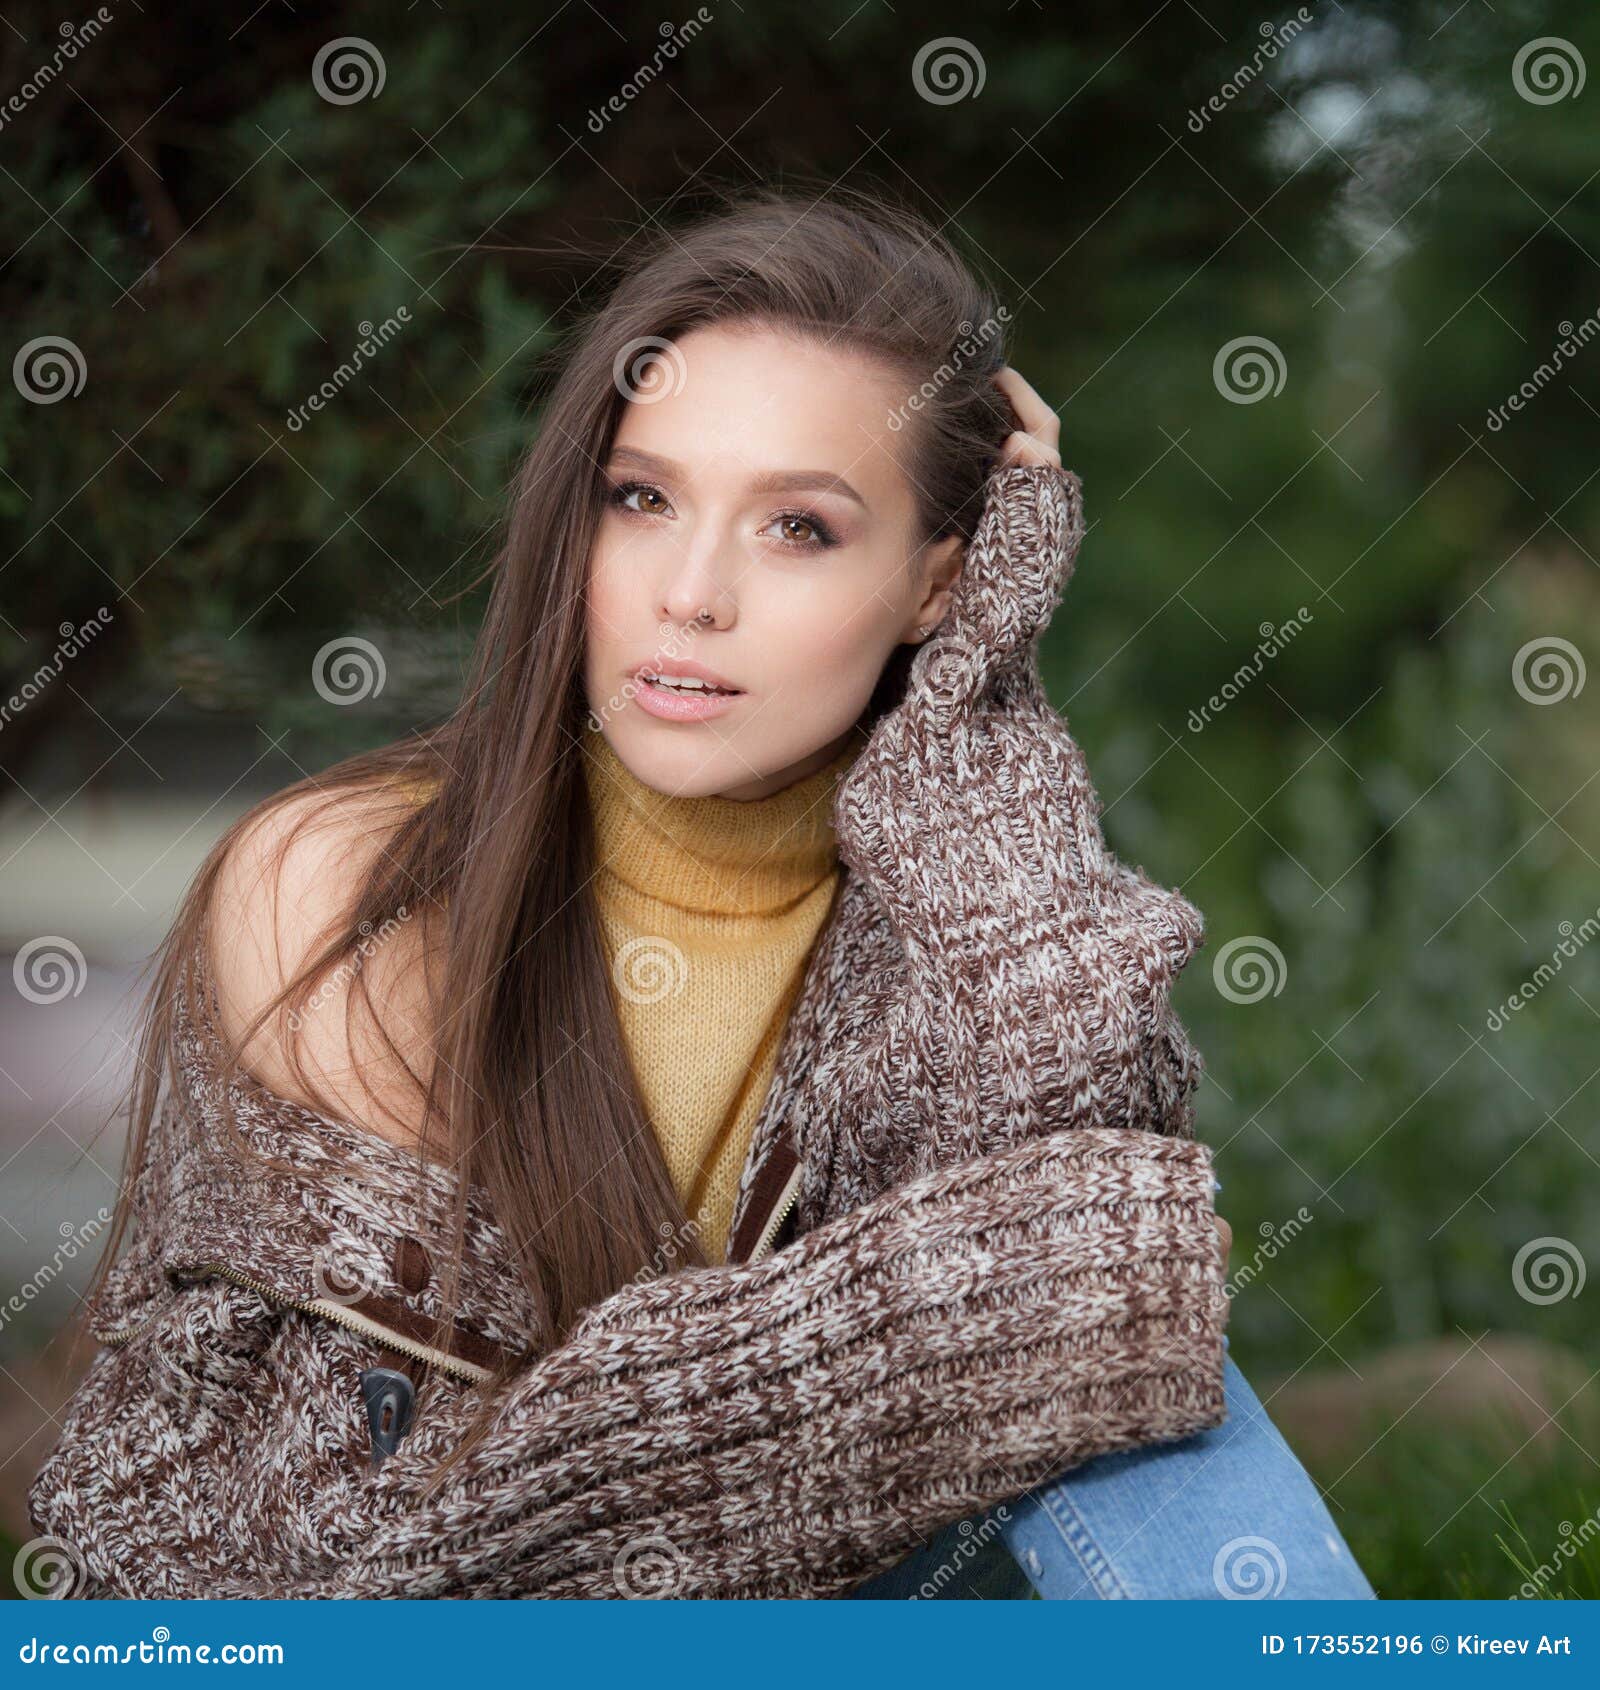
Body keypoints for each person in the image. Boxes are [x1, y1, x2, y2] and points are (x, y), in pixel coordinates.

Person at [28, 185, 1371, 1600]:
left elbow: (1079, 1172)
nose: (692, 593)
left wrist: (976, 709)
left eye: (799, 527)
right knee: (1068, 1334)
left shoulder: (931, 892)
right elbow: (355, 1547)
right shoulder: (353, 886)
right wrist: (956, 1332)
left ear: (939, 586)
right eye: (643, 499)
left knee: (1115, 1382)